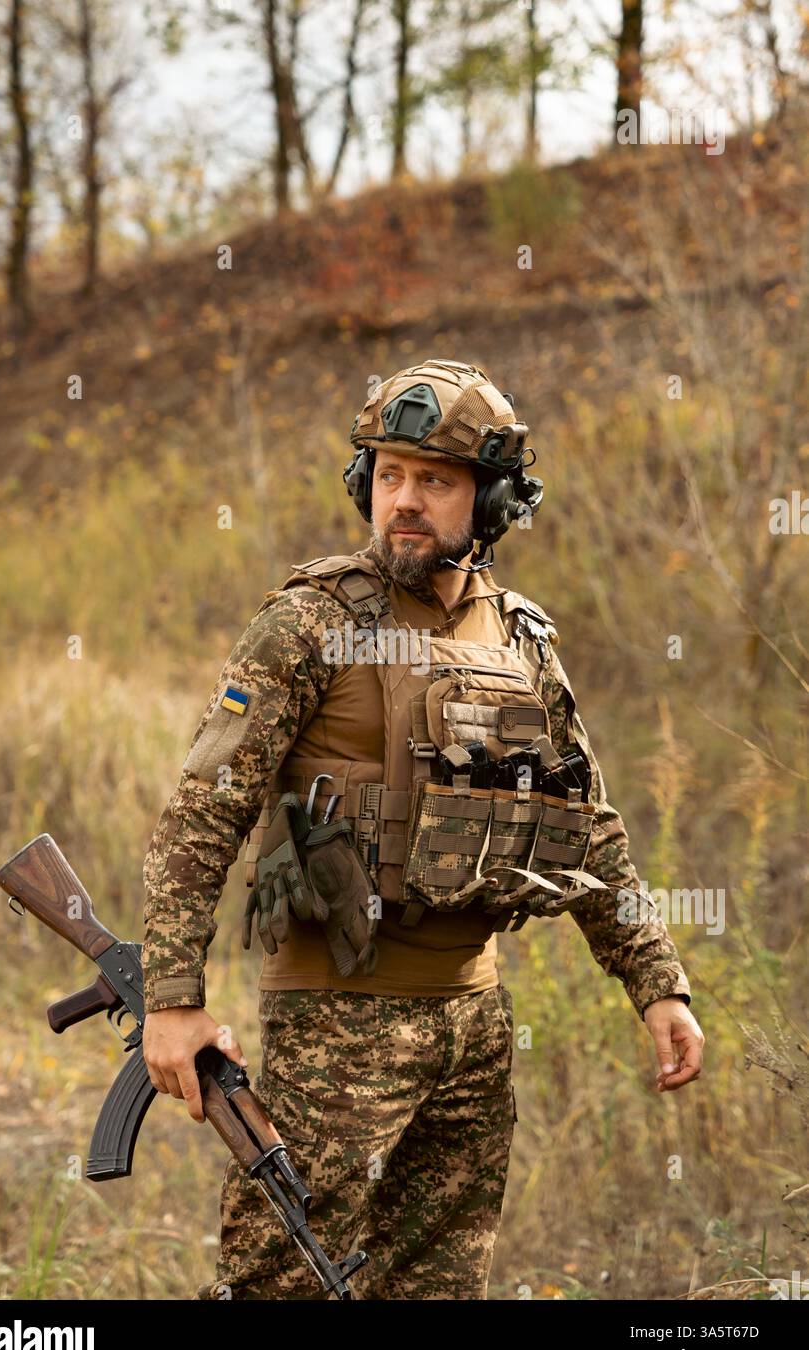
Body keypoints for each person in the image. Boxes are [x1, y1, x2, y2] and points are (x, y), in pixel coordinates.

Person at [141, 358, 704, 1300]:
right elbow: (203, 813)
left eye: (435, 481)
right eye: (389, 475)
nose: (404, 500)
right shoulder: (308, 622)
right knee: (282, 1283)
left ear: (489, 502)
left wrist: (657, 984)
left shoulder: (521, 641)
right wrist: (170, 997)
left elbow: (589, 825)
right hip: (337, 1023)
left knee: (442, 1287)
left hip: (474, 1027)